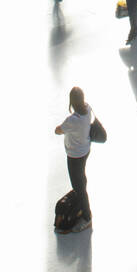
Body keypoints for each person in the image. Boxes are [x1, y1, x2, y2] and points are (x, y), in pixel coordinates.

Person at [54, 87, 93, 233]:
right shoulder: (88, 109)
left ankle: (86, 217)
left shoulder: (72, 120)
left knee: (79, 187)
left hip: (74, 155)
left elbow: (58, 130)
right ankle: (81, 192)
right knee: (81, 177)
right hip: (85, 150)